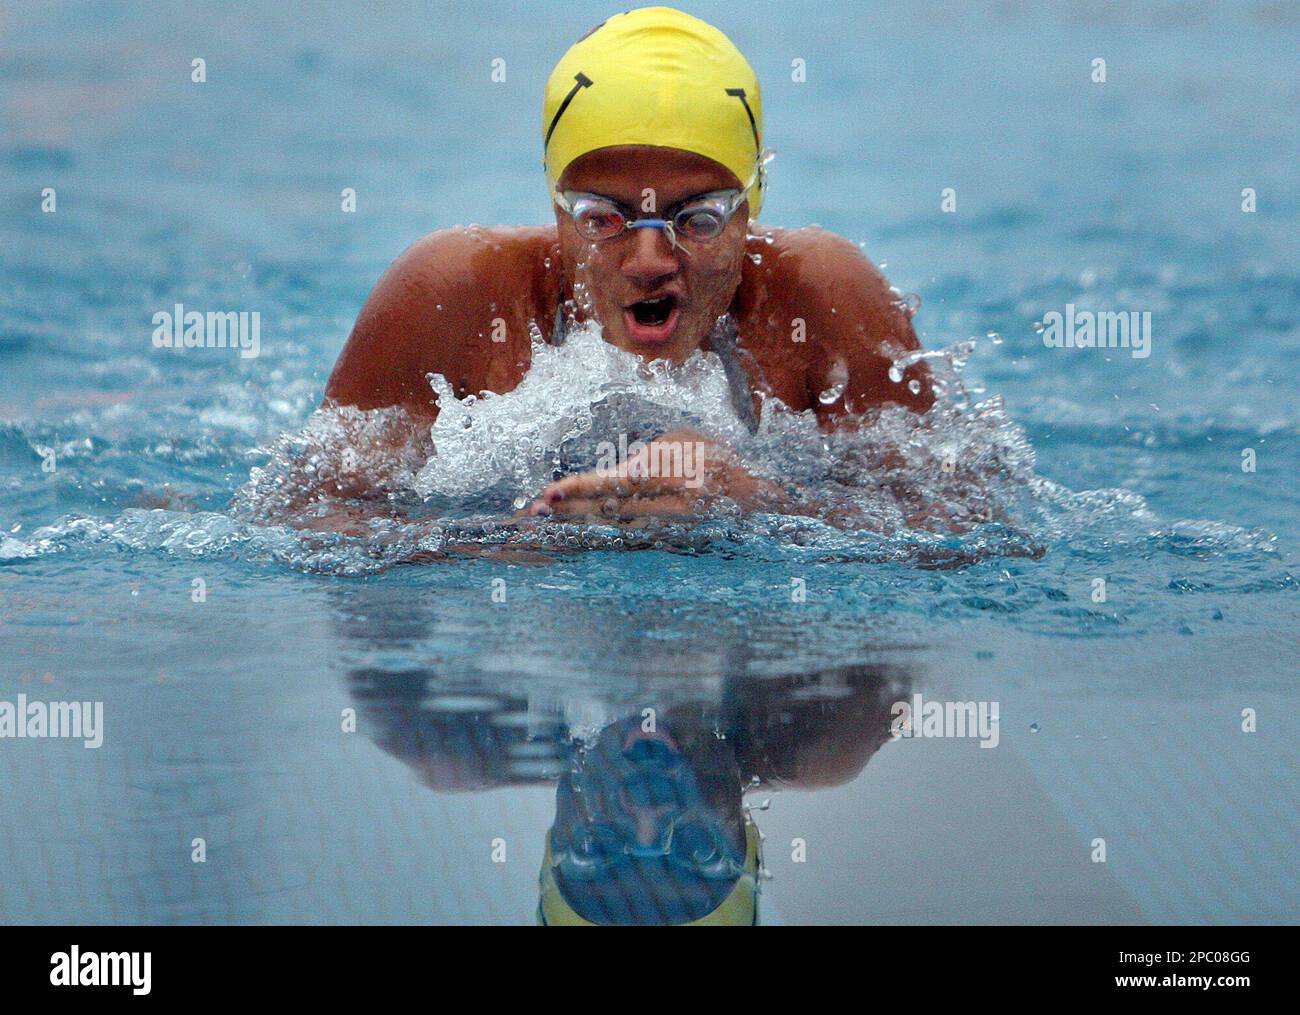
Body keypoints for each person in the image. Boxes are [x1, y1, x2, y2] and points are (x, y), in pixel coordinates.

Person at [322, 6, 932, 521]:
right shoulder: (448, 296)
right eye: (602, 217)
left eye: (696, 217)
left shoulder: (825, 297)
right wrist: (523, 543)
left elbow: (961, 531)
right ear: (557, 206)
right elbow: (310, 522)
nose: (648, 262)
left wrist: (749, 500)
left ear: (750, 206)